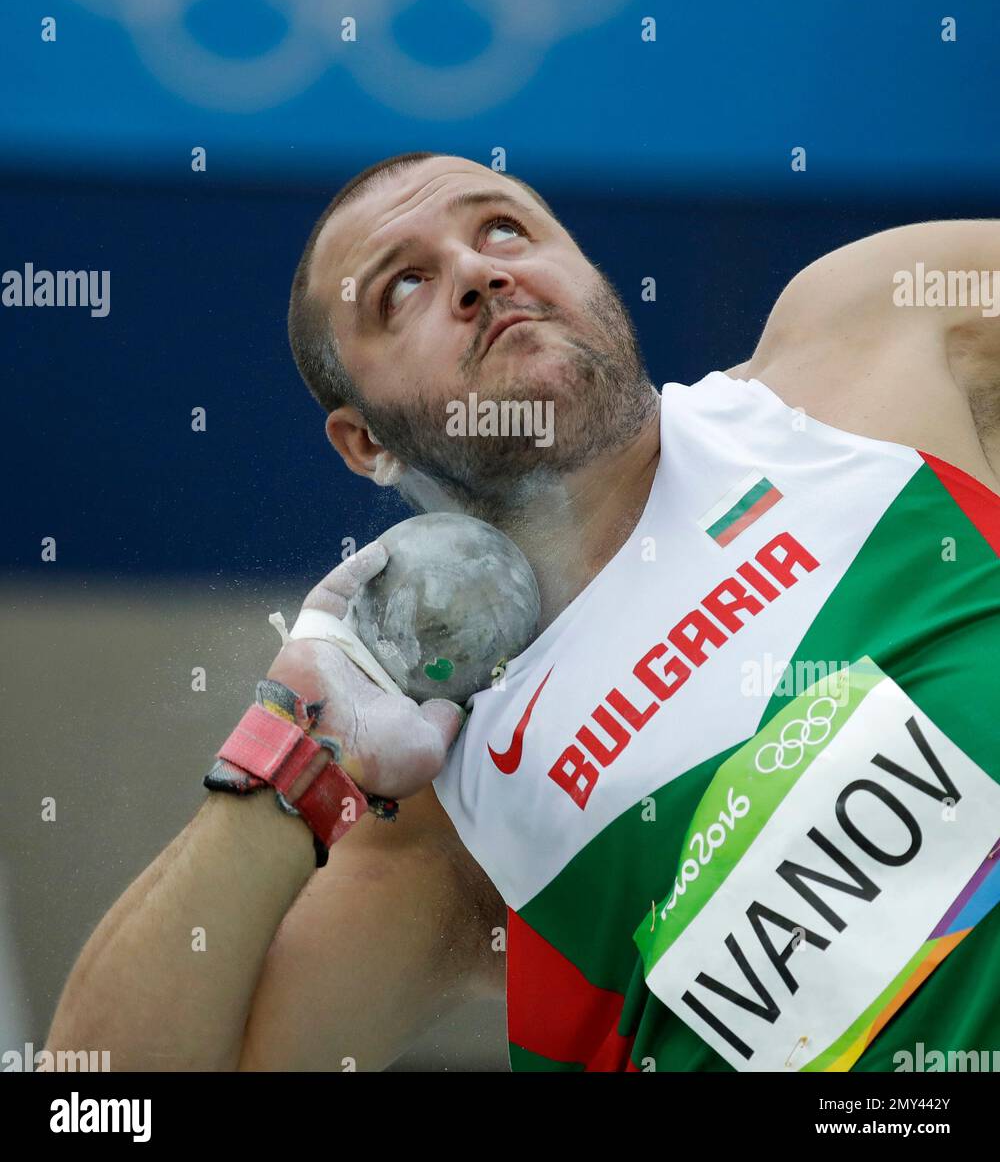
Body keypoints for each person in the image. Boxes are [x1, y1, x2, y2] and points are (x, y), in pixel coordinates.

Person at [47, 152, 1000, 1073]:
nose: (476, 272)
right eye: (403, 288)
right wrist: (292, 751)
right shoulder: (451, 812)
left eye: (503, 229)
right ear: (365, 443)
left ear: (589, 269)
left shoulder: (865, 338)